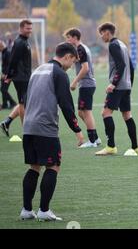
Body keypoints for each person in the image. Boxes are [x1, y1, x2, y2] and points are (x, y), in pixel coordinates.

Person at [19, 42, 83, 221]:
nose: (71, 66)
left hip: (29, 127)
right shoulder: (59, 73)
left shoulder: (38, 69)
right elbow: (66, 104)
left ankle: (26, 210)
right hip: (45, 128)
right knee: (53, 165)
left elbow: (23, 100)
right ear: (68, 57)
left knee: (34, 167)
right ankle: (44, 210)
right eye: (72, 62)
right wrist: (77, 130)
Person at [95, 22, 138, 156]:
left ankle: (111, 146)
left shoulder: (113, 45)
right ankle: (135, 147)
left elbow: (121, 65)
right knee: (127, 115)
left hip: (118, 86)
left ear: (107, 32)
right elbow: (131, 68)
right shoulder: (122, 44)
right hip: (125, 85)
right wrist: (129, 85)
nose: (101, 36)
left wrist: (113, 84)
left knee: (105, 113)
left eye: (102, 33)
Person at [64, 28, 101, 148]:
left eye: (68, 37)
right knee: (80, 112)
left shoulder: (80, 48)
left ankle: (92, 141)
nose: (67, 40)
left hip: (87, 84)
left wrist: (74, 81)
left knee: (86, 112)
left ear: (75, 37)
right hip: (86, 84)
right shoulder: (81, 48)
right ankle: (95, 137)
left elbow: (85, 68)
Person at [1, 20, 33, 137]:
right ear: (21, 29)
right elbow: (13, 60)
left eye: (30, 28)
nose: (29, 30)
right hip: (21, 78)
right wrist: (9, 76)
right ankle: (26, 131)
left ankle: (7, 122)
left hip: (24, 76)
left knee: (23, 102)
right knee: (23, 103)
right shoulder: (19, 42)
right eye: (27, 28)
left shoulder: (24, 41)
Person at [1, 37, 17, 110]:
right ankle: (5, 104)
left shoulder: (7, 52)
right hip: (4, 74)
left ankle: (13, 103)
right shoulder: (4, 52)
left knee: (3, 89)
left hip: (8, 75)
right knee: (3, 89)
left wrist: (6, 74)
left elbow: (10, 65)